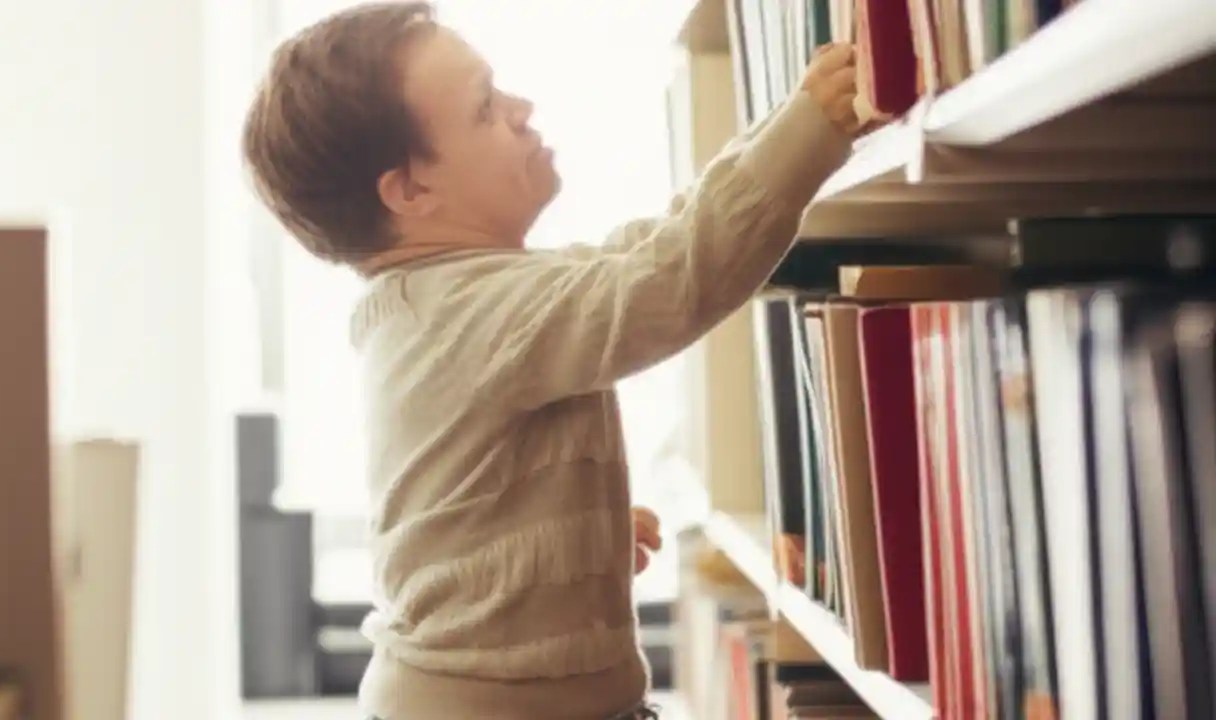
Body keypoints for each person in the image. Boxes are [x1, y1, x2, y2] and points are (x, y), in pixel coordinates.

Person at [242, 2, 862, 718]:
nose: (522, 108)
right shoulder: (470, 314)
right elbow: (667, 282)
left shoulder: (445, 301)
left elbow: (641, 249)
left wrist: (555, 542)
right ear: (409, 190)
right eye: (484, 109)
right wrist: (806, 133)